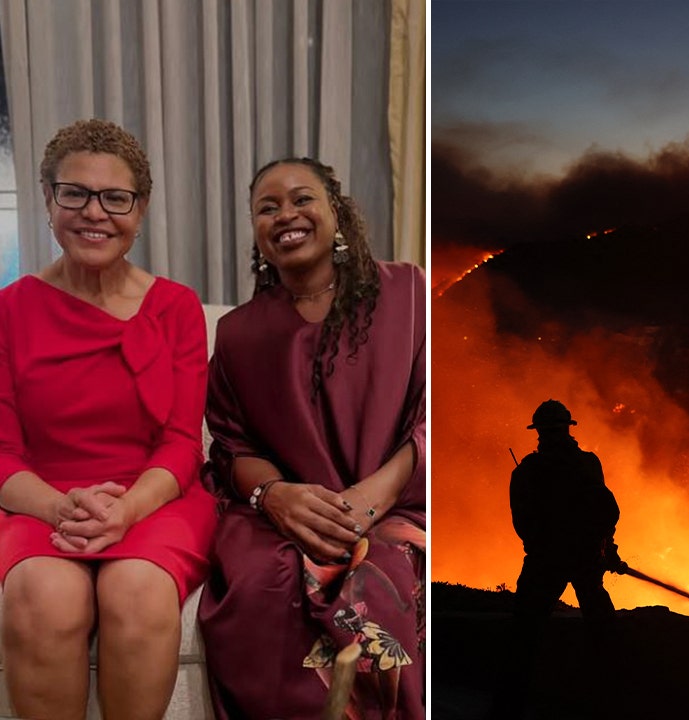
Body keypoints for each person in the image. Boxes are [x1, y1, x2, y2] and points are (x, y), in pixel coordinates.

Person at [0, 118, 217, 719]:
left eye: (115, 198)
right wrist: (57, 507)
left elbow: (182, 442)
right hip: (42, 498)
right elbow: (3, 453)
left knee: (138, 590)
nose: (94, 212)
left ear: (139, 210)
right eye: (75, 193)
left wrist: (125, 510)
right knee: (43, 594)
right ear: (48, 200)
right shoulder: (9, 310)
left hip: (154, 496)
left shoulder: (176, 306)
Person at [197, 157, 426, 720]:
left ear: (336, 212)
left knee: (378, 587)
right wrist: (276, 496)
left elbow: (431, 418)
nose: (285, 215)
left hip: (394, 501)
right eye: (267, 208)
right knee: (262, 585)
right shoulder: (238, 333)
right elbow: (231, 447)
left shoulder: (408, 293)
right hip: (283, 513)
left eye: (302, 199)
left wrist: (365, 502)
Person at [491, 399, 625, 718]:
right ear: (568, 428)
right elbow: (606, 514)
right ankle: (612, 698)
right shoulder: (587, 464)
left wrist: (549, 546)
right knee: (601, 627)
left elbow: (523, 523)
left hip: (545, 563)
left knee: (525, 633)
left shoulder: (527, 471)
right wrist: (604, 549)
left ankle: (509, 707)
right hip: (581, 559)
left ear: (538, 432)